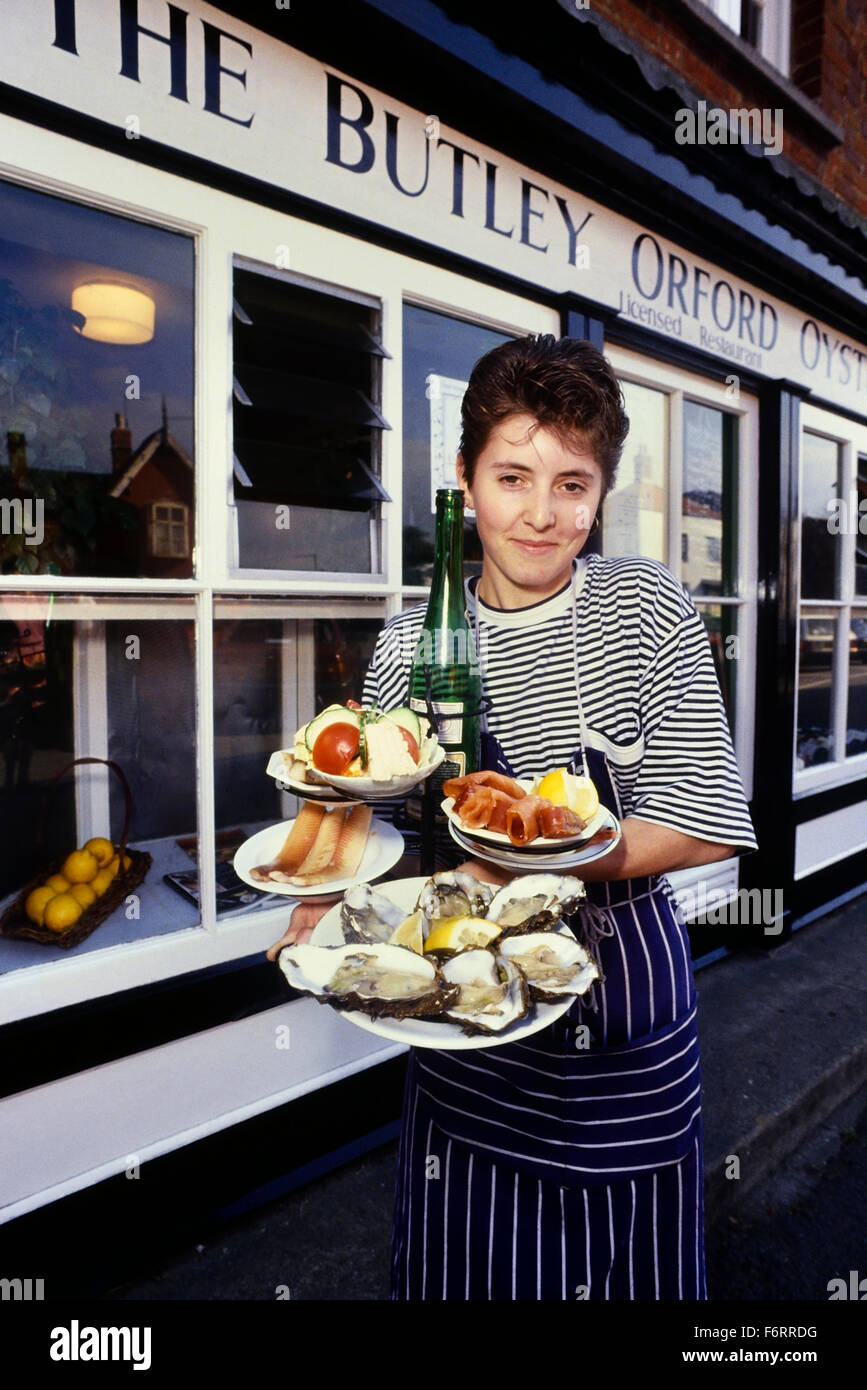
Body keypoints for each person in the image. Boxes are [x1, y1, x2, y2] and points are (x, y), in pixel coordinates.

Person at [269, 335, 757, 1300]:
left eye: (572, 485)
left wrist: (545, 856)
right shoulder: (412, 640)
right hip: (460, 1026)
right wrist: (327, 897)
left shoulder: (644, 606)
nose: (541, 515)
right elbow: (388, 829)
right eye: (512, 477)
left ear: (600, 493)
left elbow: (706, 820)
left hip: (624, 1022)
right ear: (462, 478)